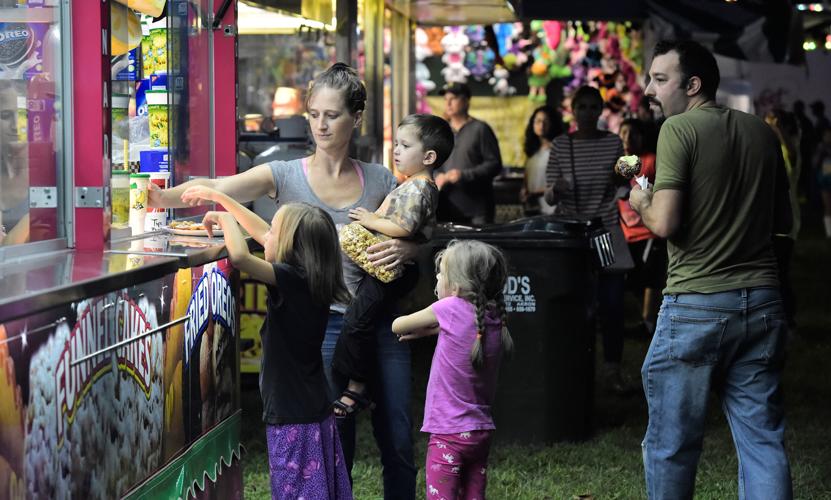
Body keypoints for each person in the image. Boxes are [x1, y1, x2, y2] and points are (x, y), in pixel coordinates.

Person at [153, 63, 419, 498]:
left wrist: (410, 249)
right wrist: (162, 196)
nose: (320, 124)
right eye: (313, 113)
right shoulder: (285, 174)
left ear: (355, 117)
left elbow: (418, 235)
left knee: (399, 437)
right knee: (337, 440)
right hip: (329, 323)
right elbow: (220, 186)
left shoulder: (381, 180)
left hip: (384, 322)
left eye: (331, 115)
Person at [629, 40, 793, 499]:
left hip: (695, 307)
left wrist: (639, 198)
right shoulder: (763, 134)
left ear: (693, 84)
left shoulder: (677, 130)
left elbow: (664, 223)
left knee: (671, 445)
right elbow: (782, 226)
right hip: (762, 301)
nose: (649, 90)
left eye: (660, 80)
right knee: (763, 441)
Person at [202, 202, 353, 499]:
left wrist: (224, 217)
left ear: (290, 246)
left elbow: (242, 257)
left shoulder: (292, 279)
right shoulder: (311, 277)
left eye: (273, 232)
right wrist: (221, 199)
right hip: (312, 405)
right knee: (318, 487)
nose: (264, 236)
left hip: (292, 413)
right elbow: (262, 235)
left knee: (295, 490)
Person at [330, 113, 452, 417]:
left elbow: (405, 227)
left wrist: (372, 220)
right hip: (388, 270)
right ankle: (359, 384)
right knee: (363, 321)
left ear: (428, 156)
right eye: (396, 144)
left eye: (405, 145)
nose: (396, 150)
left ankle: (357, 386)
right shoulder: (411, 185)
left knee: (357, 321)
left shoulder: (420, 188)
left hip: (392, 271)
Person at [391, 240, 513, 500]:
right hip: (480, 432)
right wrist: (436, 329)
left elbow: (398, 325)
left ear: (456, 285)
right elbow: (463, 329)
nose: (437, 277)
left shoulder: (448, 308)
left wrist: (429, 326)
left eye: (441, 273)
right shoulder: (494, 317)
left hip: (449, 434)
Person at [544, 85, 633, 394]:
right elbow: (549, 195)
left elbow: (622, 186)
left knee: (611, 303)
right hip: (573, 233)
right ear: (573, 110)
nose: (586, 112)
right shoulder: (560, 144)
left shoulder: (612, 143)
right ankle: (572, 367)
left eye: (592, 107)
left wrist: (621, 176)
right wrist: (559, 189)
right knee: (575, 304)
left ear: (600, 111)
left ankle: (611, 368)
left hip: (605, 229)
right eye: (581, 106)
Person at [617, 119, 666, 337]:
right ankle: (643, 320)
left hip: (649, 230)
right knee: (636, 278)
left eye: (633, 134)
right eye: (623, 133)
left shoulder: (651, 160)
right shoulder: (620, 162)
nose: (627, 138)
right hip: (627, 231)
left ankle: (648, 323)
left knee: (651, 277)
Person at [435, 82, 502, 226]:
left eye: (453, 98)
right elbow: (434, 162)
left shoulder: (480, 129)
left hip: (477, 210)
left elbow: (495, 164)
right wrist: (437, 175)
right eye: (446, 99)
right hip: (446, 207)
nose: (448, 103)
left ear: (466, 101)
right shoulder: (442, 131)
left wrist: (463, 175)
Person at [766, 109, 801, 333]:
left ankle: (788, 321)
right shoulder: (770, 149)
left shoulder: (789, 149)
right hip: (769, 220)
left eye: (769, 121)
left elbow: (792, 152)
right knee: (772, 274)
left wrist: (777, 130)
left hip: (785, 222)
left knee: (780, 274)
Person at [521, 105, 562, 216]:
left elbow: (561, 183)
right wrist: (524, 191)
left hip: (552, 210)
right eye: (538, 121)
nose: (541, 125)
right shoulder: (532, 152)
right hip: (533, 209)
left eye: (545, 121)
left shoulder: (558, 150)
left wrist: (534, 193)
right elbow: (526, 179)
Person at [815, 127, 831, 238]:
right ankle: (829, 232)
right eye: (826, 135)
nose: (828, 137)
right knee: (828, 206)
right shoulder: (821, 148)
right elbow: (814, 163)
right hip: (825, 179)